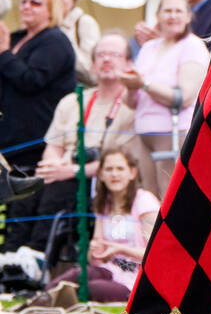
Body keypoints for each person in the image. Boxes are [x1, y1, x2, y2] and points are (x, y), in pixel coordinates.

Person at [27, 31, 141, 254]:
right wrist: (54, 167)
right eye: (101, 55)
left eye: (114, 55)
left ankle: (36, 255)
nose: (106, 60)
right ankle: (13, 256)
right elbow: (53, 146)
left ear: (128, 63)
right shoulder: (72, 101)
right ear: (92, 63)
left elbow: (123, 163)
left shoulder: (132, 106)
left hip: (98, 178)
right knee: (28, 189)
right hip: (61, 172)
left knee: (60, 188)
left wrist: (70, 171)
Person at [0, 0, 76, 251]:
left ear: (51, 10)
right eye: (24, 1)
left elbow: (31, 80)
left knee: (21, 206)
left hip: (34, 139)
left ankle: (14, 265)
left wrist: (4, 53)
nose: (27, 7)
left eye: (36, 3)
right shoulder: (18, 37)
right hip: (8, 137)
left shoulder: (55, 41)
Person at [42, 148, 159, 304]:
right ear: (101, 175)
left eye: (120, 169)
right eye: (109, 169)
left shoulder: (144, 201)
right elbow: (96, 258)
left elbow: (156, 255)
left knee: (92, 288)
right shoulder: (102, 205)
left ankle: (56, 303)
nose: (114, 174)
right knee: (77, 275)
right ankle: (38, 302)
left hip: (139, 279)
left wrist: (119, 249)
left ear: (132, 173)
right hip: (113, 271)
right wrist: (94, 251)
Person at [122, 0, 209, 198]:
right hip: (144, 133)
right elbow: (132, 102)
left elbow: (185, 96)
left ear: (188, 16)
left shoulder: (192, 46)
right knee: (147, 196)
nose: (173, 16)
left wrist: (144, 83)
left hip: (173, 134)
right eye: (167, 11)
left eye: (179, 11)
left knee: (170, 197)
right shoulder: (149, 47)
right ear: (158, 16)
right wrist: (131, 86)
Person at [43, 0, 101, 87]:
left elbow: (92, 73)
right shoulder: (37, 25)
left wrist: (61, 39)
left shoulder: (84, 23)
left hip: (74, 97)